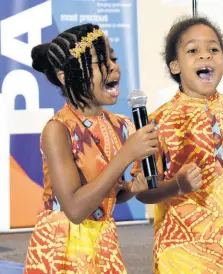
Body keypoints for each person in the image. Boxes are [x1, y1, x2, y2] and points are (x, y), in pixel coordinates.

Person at [132, 16, 223, 273]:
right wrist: (177, 186)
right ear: (175, 66)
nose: (205, 56)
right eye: (193, 50)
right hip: (182, 255)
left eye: (213, 49)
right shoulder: (158, 121)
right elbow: (143, 191)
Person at [24, 23, 156, 273]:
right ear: (66, 75)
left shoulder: (121, 125)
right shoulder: (58, 129)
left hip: (103, 242)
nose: (113, 66)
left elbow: (107, 194)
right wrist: (127, 153)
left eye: (113, 57)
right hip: (62, 246)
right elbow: (74, 209)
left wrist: (131, 189)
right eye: (100, 61)